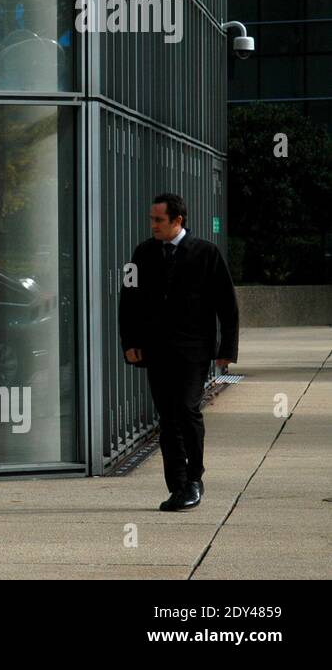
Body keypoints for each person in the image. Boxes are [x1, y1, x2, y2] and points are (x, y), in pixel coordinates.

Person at [119, 193, 239, 512]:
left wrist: (227, 350)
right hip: (157, 351)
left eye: (159, 220)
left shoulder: (205, 253)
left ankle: (195, 479)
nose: (153, 225)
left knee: (187, 411)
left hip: (194, 352)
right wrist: (129, 342)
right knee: (168, 418)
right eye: (152, 219)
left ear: (178, 220)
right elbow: (128, 300)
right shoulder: (143, 254)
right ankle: (178, 486)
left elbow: (227, 305)